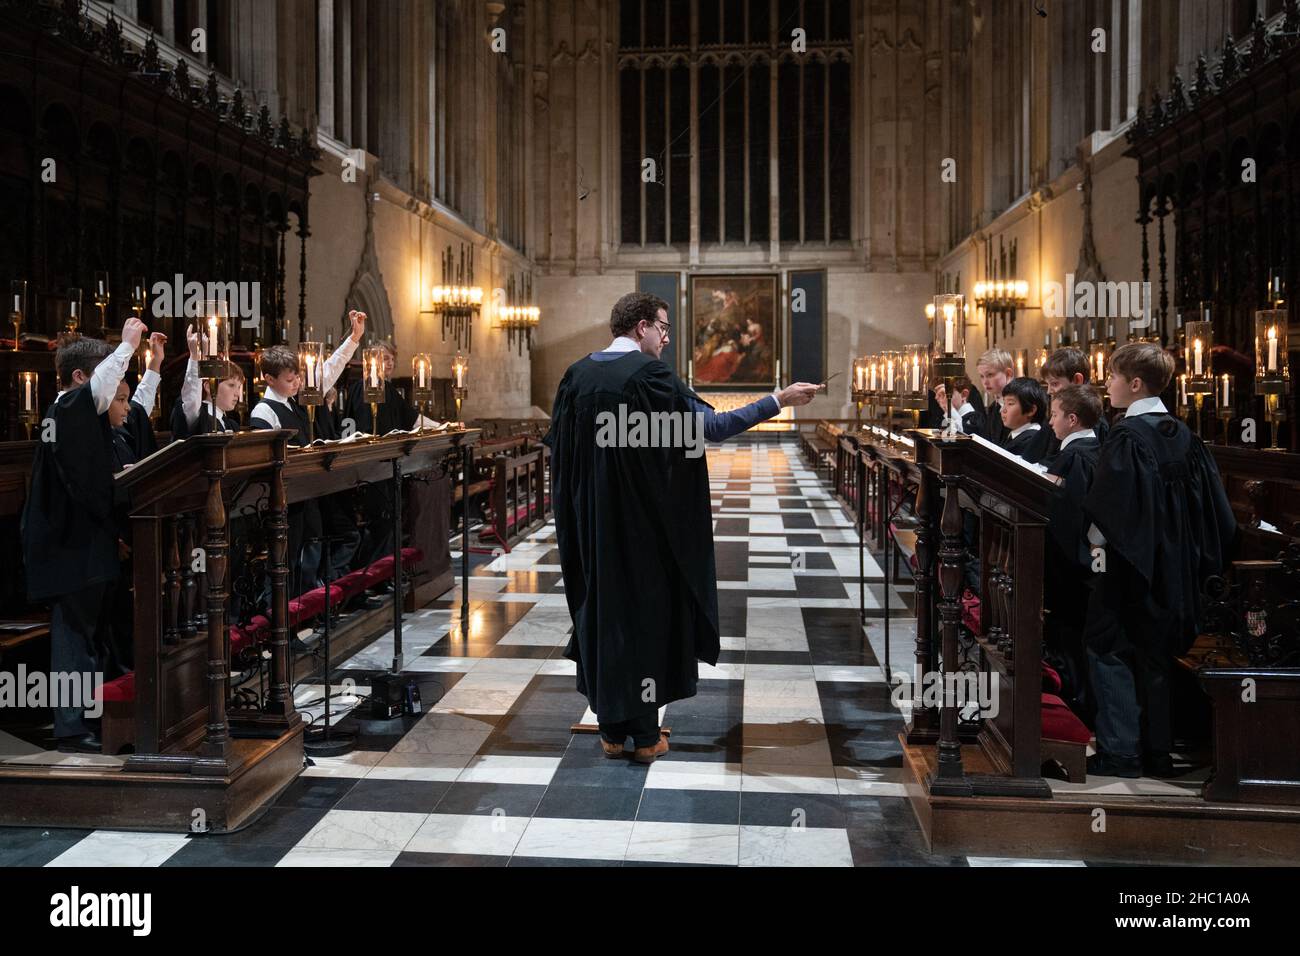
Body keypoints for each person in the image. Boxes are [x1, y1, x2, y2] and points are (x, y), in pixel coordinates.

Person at [545, 291, 821, 762]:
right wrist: (779, 399)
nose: (667, 339)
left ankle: (612, 730)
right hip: (642, 528)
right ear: (641, 328)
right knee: (646, 618)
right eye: (664, 328)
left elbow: (562, 455)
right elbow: (710, 428)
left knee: (603, 612)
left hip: (590, 524)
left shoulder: (577, 376)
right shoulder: (650, 376)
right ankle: (647, 737)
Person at [1081, 342, 1237, 778]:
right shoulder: (1186, 436)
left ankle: (1120, 751)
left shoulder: (1128, 438)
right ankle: (1159, 751)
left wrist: (1093, 556)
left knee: (1106, 646)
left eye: (1112, 377)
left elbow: (1108, 514)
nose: (1106, 384)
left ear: (1134, 384)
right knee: (1156, 654)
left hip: (1130, 569)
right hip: (1179, 571)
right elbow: (1219, 518)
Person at [21, 318, 148, 752]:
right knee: (74, 637)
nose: (113, 394)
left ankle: (94, 716)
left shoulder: (76, 414)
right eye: (107, 374)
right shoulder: (66, 410)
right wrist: (128, 345)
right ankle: (72, 727)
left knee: (91, 634)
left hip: (84, 546)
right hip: (66, 548)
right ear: (79, 377)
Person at [250, 311, 365, 596]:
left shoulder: (296, 401)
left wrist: (353, 339)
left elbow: (328, 370)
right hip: (285, 499)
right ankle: (285, 620)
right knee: (288, 562)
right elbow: (269, 458)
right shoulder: (263, 411)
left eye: (298, 378)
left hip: (306, 493)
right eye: (290, 380)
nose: (298, 384)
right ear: (269, 379)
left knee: (309, 555)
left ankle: (304, 611)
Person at [1042, 384, 1103, 720]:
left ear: (1073, 418)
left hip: (1069, 564)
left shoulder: (1075, 456)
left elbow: (1068, 515)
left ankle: (1076, 700)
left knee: (1069, 633)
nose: (1051, 423)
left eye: (1054, 415)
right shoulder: (1095, 449)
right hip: (1084, 565)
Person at [171, 322, 245, 437]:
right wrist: (195, 356)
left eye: (239, 387)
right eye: (231, 385)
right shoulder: (198, 414)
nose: (237, 394)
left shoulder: (230, 424)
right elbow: (191, 393)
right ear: (209, 387)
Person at [1041, 346, 1110, 458]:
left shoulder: (1093, 423)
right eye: (1047, 384)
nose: (1049, 391)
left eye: (1054, 384)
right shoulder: (1058, 418)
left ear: (1077, 380)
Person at [999, 376, 1053, 462]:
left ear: (1031, 410)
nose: (1002, 410)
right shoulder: (1014, 435)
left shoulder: (1032, 440)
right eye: (1003, 403)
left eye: (1010, 403)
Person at [976, 348, 1015, 445]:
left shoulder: (1020, 405)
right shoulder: (994, 407)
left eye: (990, 375)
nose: (985, 382)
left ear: (1008, 374)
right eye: (982, 376)